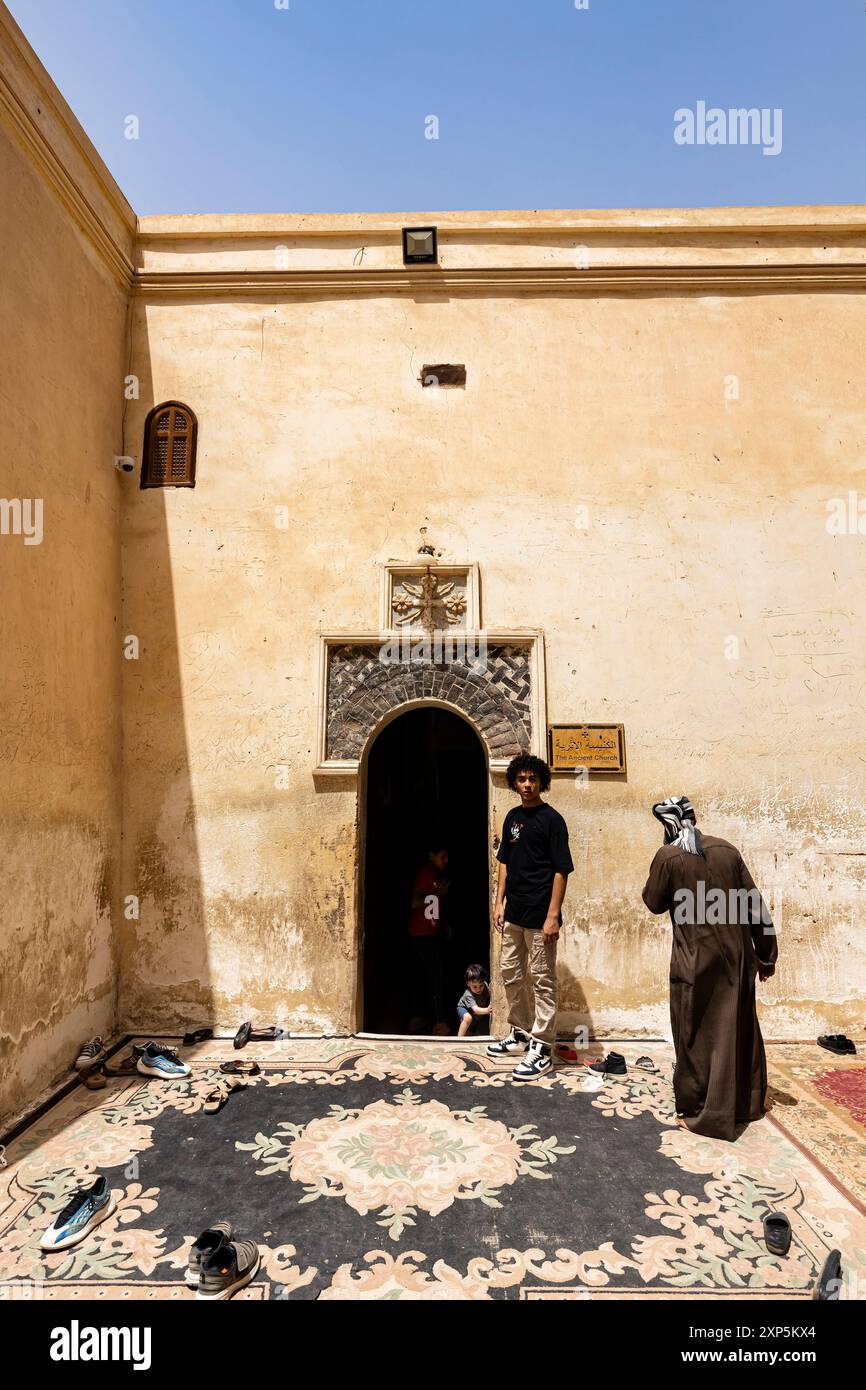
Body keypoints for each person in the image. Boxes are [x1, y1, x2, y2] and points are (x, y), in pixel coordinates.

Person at [642, 795, 778, 1142]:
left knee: (697, 1035)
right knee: (736, 1027)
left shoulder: (669, 856)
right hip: (738, 956)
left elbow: (653, 902)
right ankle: (747, 1104)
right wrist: (766, 955)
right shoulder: (727, 850)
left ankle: (706, 1116)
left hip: (695, 959)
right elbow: (753, 903)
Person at [487, 753, 573, 1079]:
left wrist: (553, 916)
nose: (527, 785)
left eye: (532, 779)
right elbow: (505, 864)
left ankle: (542, 1046)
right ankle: (521, 1031)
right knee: (510, 973)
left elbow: (562, 870)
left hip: (540, 917)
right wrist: (499, 904)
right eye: (521, 779)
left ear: (541, 782)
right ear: (514, 782)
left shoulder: (553, 821)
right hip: (514, 914)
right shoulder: (512, 818)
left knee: (542, 981)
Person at [407, 841, 450, 1032]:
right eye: (442, 856)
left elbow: (435, 905)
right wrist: (436, 892)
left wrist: (445, 924)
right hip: (421, 934)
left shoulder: (434, 875)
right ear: (431, 855)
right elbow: (415, 902)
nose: (446, 861)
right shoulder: (425, 875)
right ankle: (438, 1023)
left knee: (422, 975)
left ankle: (417, 1019)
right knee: (435, 976)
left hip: (430, 933)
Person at [457, 964, 492, 1037]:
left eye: (481, 985)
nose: (478, 989)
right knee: (467, 1018)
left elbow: (491, 994)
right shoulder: (468, 994)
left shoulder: (485, 986)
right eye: (475, 987)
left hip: (476, 1013)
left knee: (472, 1030)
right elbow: (475, 1010)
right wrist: (487, 1010)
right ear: (468, 984)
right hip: (464, 1008)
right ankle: (459, 1039)